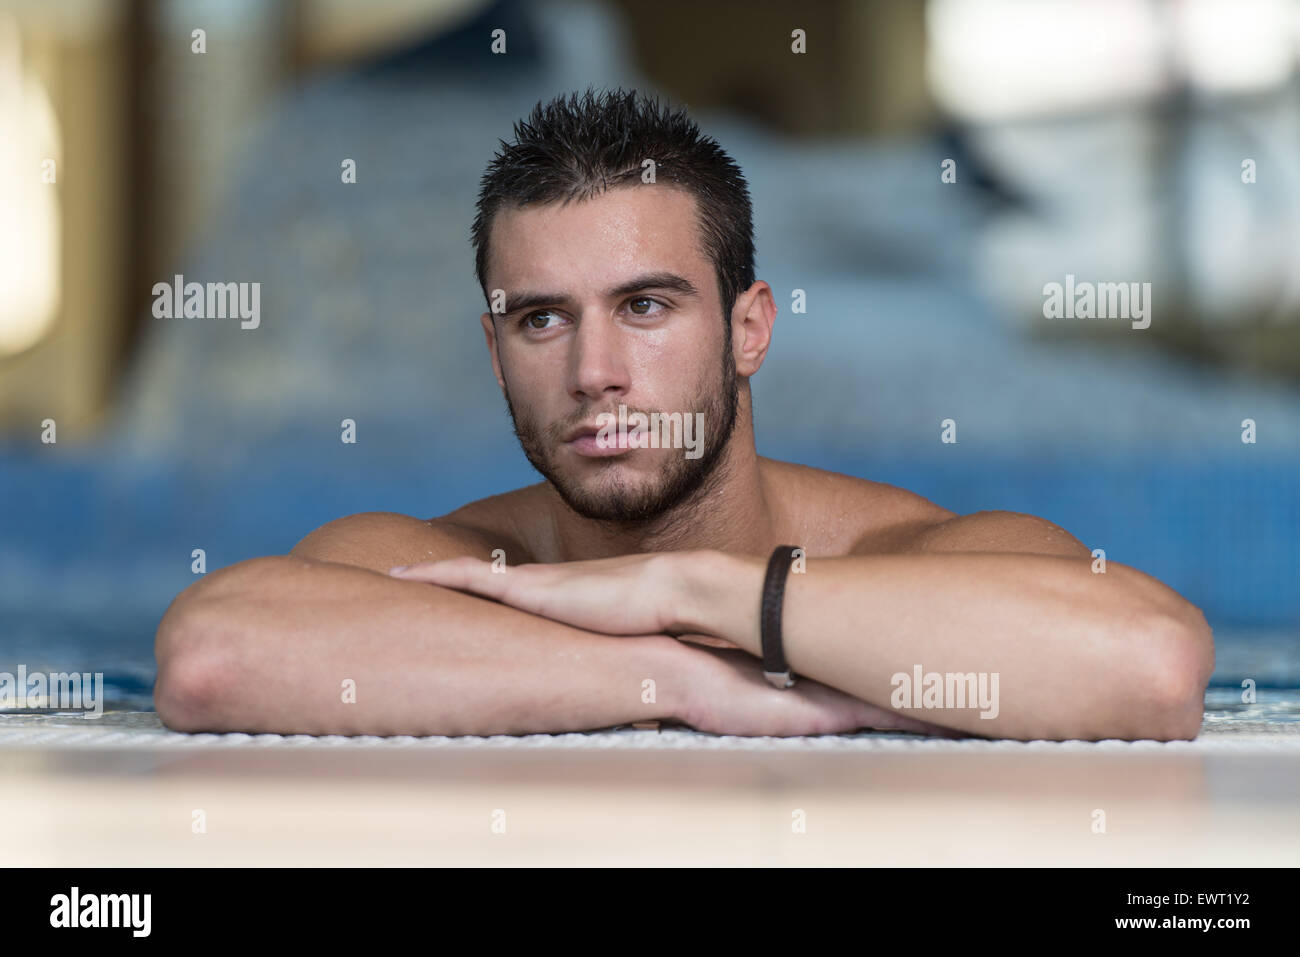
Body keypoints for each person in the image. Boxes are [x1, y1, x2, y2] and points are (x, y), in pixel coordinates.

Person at [154, 88, 1213, 741]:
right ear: (494, 352)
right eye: (539, 321)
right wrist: (672, 673)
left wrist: (695, 591)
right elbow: (213, 658)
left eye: (646, 306)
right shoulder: (443, 557)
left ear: (749, 330)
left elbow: (1151, 668)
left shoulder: (917, 553)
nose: (595, 372)